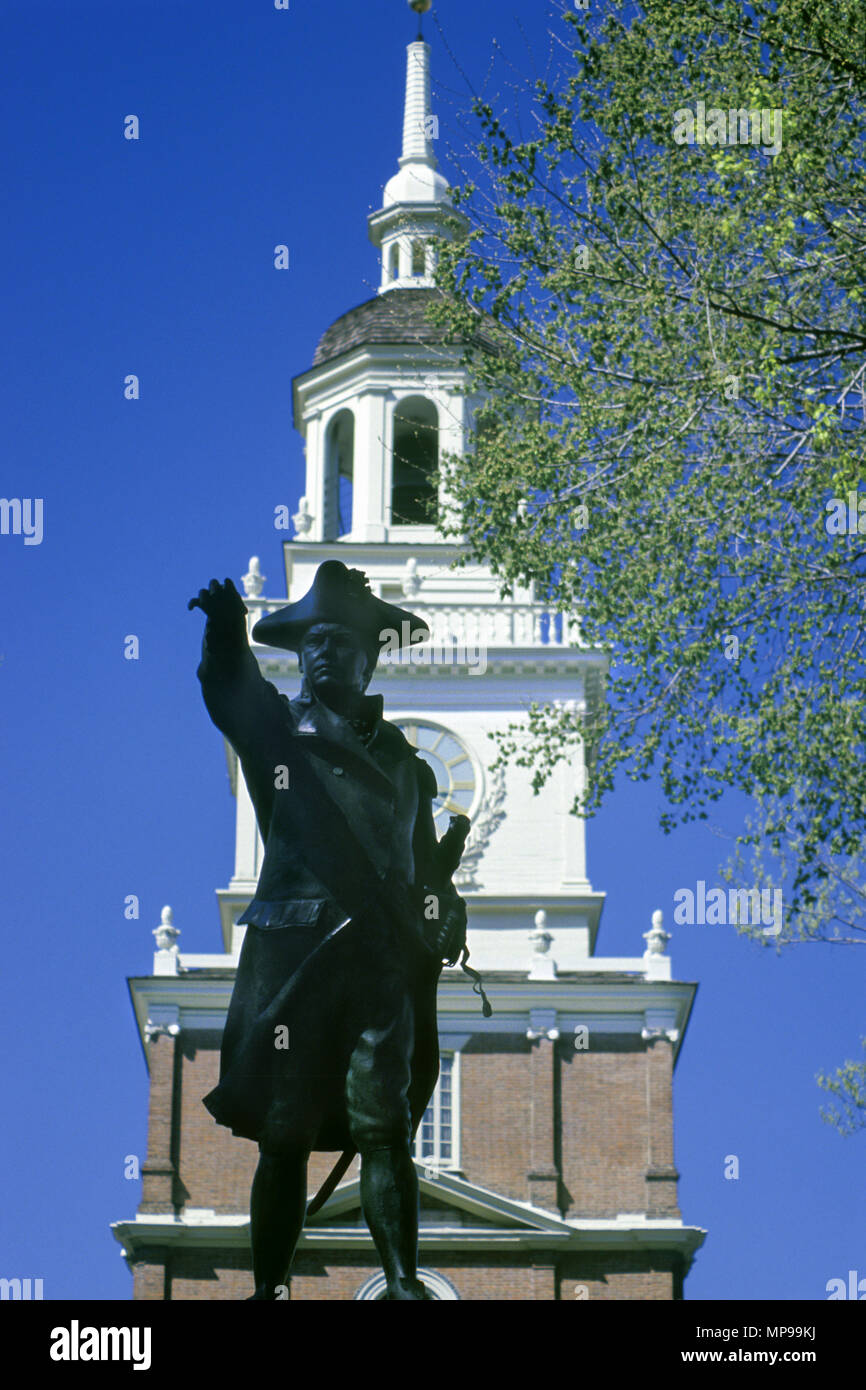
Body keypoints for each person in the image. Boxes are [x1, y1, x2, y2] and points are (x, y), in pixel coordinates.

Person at [189, 560, 466, 1300]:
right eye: (311, 643)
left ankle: (403, 1282)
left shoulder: (407, 767)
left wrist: (442, 910)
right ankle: (269, 1286)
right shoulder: (281, 731)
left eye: (339, 642)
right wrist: (224, 638)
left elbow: (423, 873)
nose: (322, 654)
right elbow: (233, 694)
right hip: (299, 951)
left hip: (379, 958)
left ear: (368, 656)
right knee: (284, 1134)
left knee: (385, 1125)